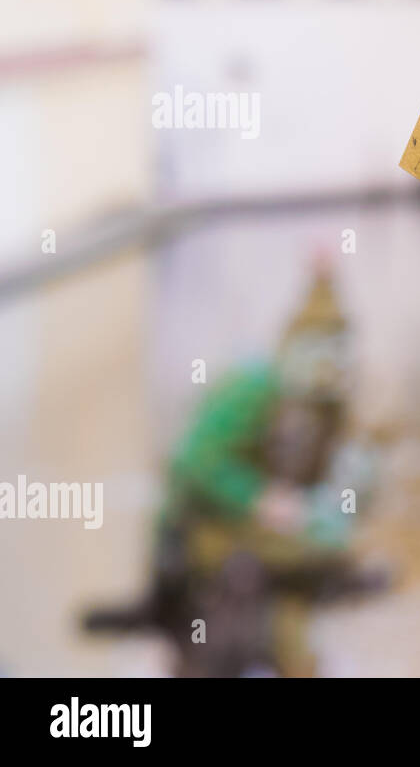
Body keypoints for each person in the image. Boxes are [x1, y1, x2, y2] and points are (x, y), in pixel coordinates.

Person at [85, 265, 385, 676]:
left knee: (313, 576)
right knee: (298, 562)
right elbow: (192, 461)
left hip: (269, 539)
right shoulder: (256, 386)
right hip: (211, 534)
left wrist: (356, 481)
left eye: (338, 348)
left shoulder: (328, 406)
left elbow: (334, 479)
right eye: (320, 347)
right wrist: (257, 499)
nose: (331, 363)